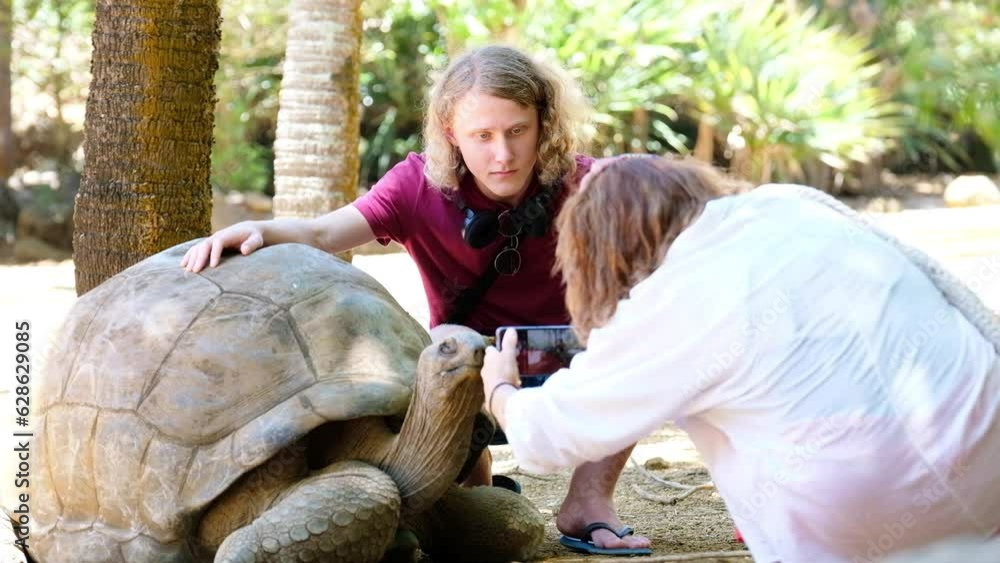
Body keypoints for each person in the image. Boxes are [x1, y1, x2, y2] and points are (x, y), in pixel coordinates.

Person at [182, 45, 652, 555]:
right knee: (452, 348)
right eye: (483, 136)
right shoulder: (416, 185)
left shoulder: (588, 183)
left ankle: (588, 502)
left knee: (637, 343)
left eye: (518, 131)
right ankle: (474, 490)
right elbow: (322, 232)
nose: (503, 154)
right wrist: (257, 229)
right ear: (452, 133)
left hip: (568, 356)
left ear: (543, 123)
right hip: (466, 364)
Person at [481, 155, 1000, 562]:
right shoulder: (789, 207)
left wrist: (502, 390)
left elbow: (546, 437)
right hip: (987, 447)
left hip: (866, 503)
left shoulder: (675, 293)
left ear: (603, 250)